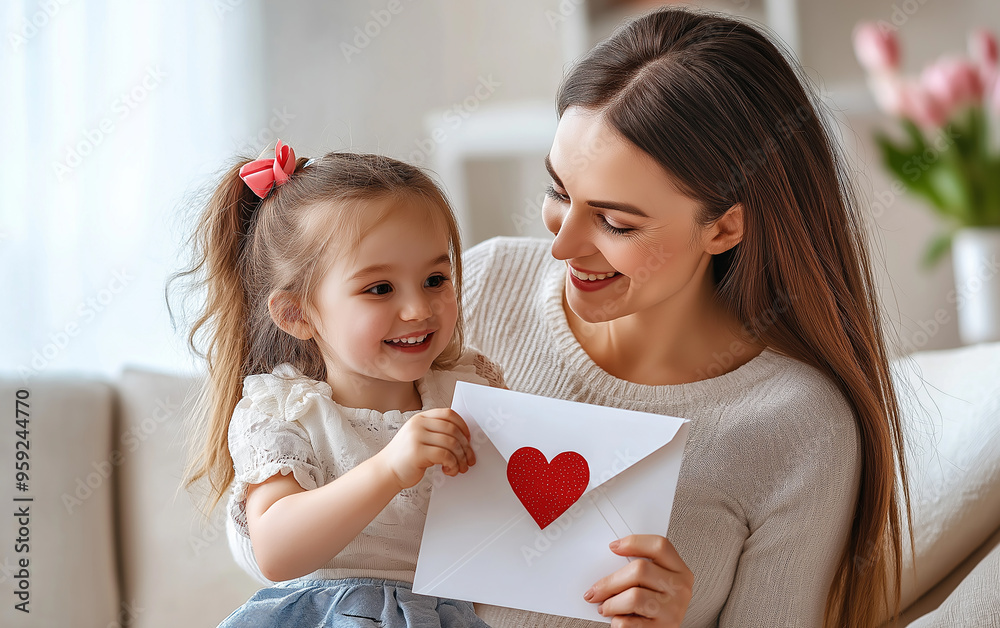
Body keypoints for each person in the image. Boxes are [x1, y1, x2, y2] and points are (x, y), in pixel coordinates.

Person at [462, 7, 911, 628]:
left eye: (616, 222)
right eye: (559, 192)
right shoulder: (475, 288)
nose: (562, 245)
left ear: (725, 226)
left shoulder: (797, 425)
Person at [176, 141, 504, 627]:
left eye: (436, 278)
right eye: (380, 289)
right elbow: (277, 551)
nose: (419, 309)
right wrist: (391, 467)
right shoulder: (286, 410)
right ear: (297, 314)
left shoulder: (470, 387)